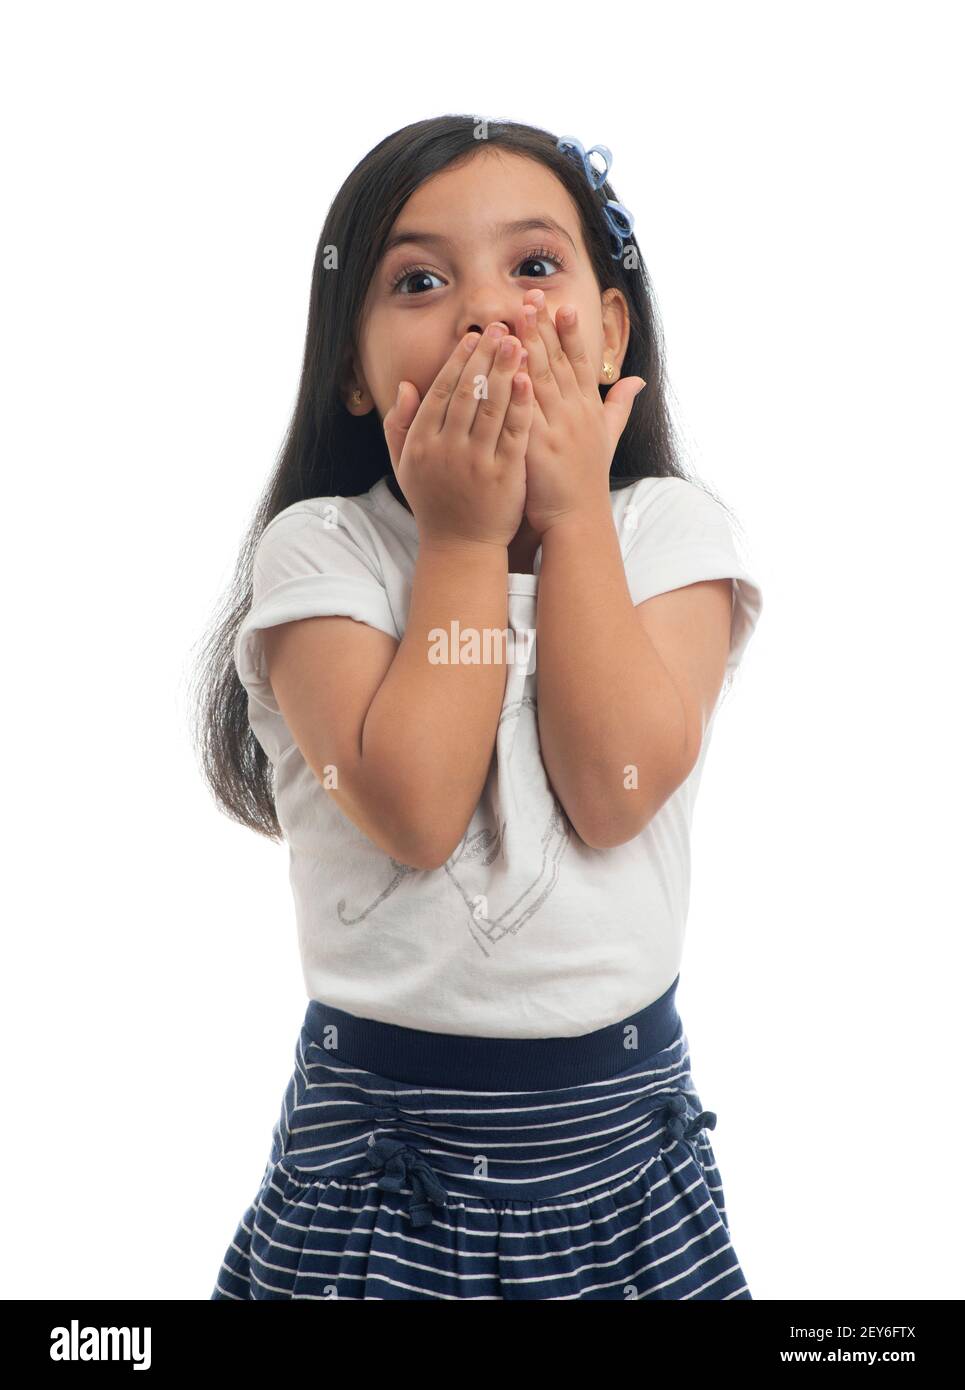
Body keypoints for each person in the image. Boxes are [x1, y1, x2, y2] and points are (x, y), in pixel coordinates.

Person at [196, 115, 764, 1300]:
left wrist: (572, 522)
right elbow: (413, 807)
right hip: (378, 1173)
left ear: (609, 329)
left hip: (623, 1173)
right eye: (419, 278)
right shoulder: (325, 552)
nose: (482, 311)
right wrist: (459, 535)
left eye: (535, 266)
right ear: (351, 364)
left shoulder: (668, 538)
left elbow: (613, 791)